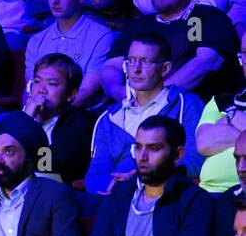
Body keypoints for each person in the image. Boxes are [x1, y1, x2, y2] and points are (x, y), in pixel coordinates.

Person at [54, 116, 216, 236]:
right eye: (138, 147)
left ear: (178, 154)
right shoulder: (119, 196)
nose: (143, 157)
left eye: (154, 148)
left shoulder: (195, 201)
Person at [102, 0, 239, 103]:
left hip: (190, 107)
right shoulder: (139, 26)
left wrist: (156, 95)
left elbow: (205, 63)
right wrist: (119, 92)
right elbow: (111, 67)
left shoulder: (206, 18)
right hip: (134, 105)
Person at [88, 34, 206, 195]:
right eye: (131, 61)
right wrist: (118, 188)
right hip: (114, 200)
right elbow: (94, 176)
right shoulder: (109, 118)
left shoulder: (186, 105)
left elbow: (195, 161)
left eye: (145, 61)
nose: (135, 69)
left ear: (165, 68)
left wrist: (141, 179)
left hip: (167, 197)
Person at [24, 0, 114, 110]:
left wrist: (50, 117)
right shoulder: (36, 41)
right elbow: (29, 90)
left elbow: (86, 92)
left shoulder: (102, 37)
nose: (54, 0)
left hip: (78, 117)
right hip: (41, 115)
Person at [24, 54, 100, 187]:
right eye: (37, 81)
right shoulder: (22, 116)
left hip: (54, 192)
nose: (41, 90)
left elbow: (55, 163)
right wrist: (25, 119)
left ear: (71, 94)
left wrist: (25, 125)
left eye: (52, 84)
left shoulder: (80, 123)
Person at [193, 35, 246, 194]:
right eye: (244, 53)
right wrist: (234, 115)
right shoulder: (221, 101)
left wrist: (229, 119)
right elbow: (203, 143)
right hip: (208, 193)